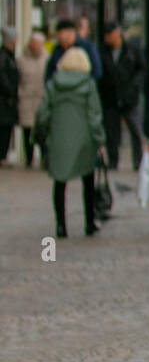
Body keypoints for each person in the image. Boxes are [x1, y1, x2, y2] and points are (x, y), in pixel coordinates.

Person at [34, 47, 104, 238]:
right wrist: (100, 140)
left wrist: (43, 132)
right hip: (84, 140)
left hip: (59, 137)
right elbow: (94, 115)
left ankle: (61, 225)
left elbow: (43, 113)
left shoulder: (53, 84)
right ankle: (89, 222)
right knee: (87, 180)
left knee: (59, 182)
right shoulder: (88, 85)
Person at [98, 22, 147, 170]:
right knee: (111, 132)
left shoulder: (131, 50)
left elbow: (142, 70)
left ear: (117, 34)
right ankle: (113, 162)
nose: (107, 38)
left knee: (136, 131)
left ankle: (138, 162)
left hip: (128, 97)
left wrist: (134, 87)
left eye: (110, 35)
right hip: (110, 97)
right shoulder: (102, 51)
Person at [16, 31, 47, 168]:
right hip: (26, 99)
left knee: (43, 131)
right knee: (27, 131)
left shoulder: (47, 59)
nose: (35, 46)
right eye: (33, 43)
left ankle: (45, 158)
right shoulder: (21, 60)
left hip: (42, 98)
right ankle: (29, 159)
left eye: (38, 43)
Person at [45, 18, 102, 83]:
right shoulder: (57, 49)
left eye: (60, 34)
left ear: (70, 33)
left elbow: (96, 72)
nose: (58, 37)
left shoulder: (87, 47)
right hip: (61, 89)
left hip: (82, 89)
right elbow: (49, 73)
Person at [0, 28, 17, 166]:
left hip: (6, 100)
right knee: (4, 130)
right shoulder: (4, 57)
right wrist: (10, 92)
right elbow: (3, 77)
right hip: (4, 100)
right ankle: (2, 157)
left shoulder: (10, 56)